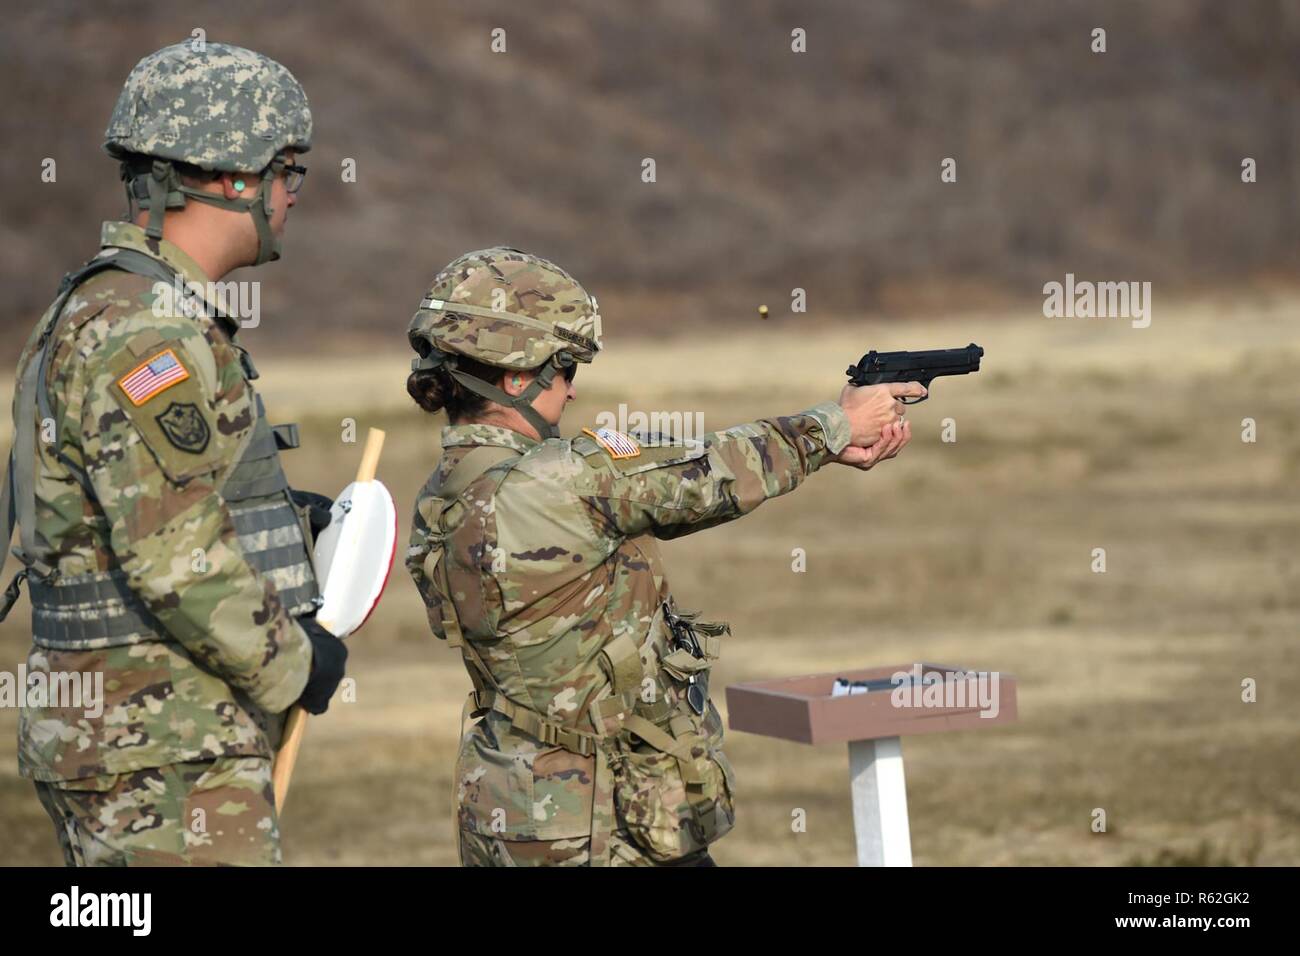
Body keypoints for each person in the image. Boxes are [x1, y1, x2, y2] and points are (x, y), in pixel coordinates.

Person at [405, 247, 921, 866]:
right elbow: (710, 473)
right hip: (604, 823)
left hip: (509, 812)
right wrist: (836, 425)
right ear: (516, 379)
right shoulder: (560, 480)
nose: (571, 390)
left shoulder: (441, 495)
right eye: (564, 368)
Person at [0, 40, 347, 866]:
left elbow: (138, 510)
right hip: (161, 742)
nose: (292, 195)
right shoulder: (145, 329)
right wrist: (297, 665)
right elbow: (172, 558)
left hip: (136, 733)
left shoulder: (116, 306)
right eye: (286, 171)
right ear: (229, 178)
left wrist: (279, 520)